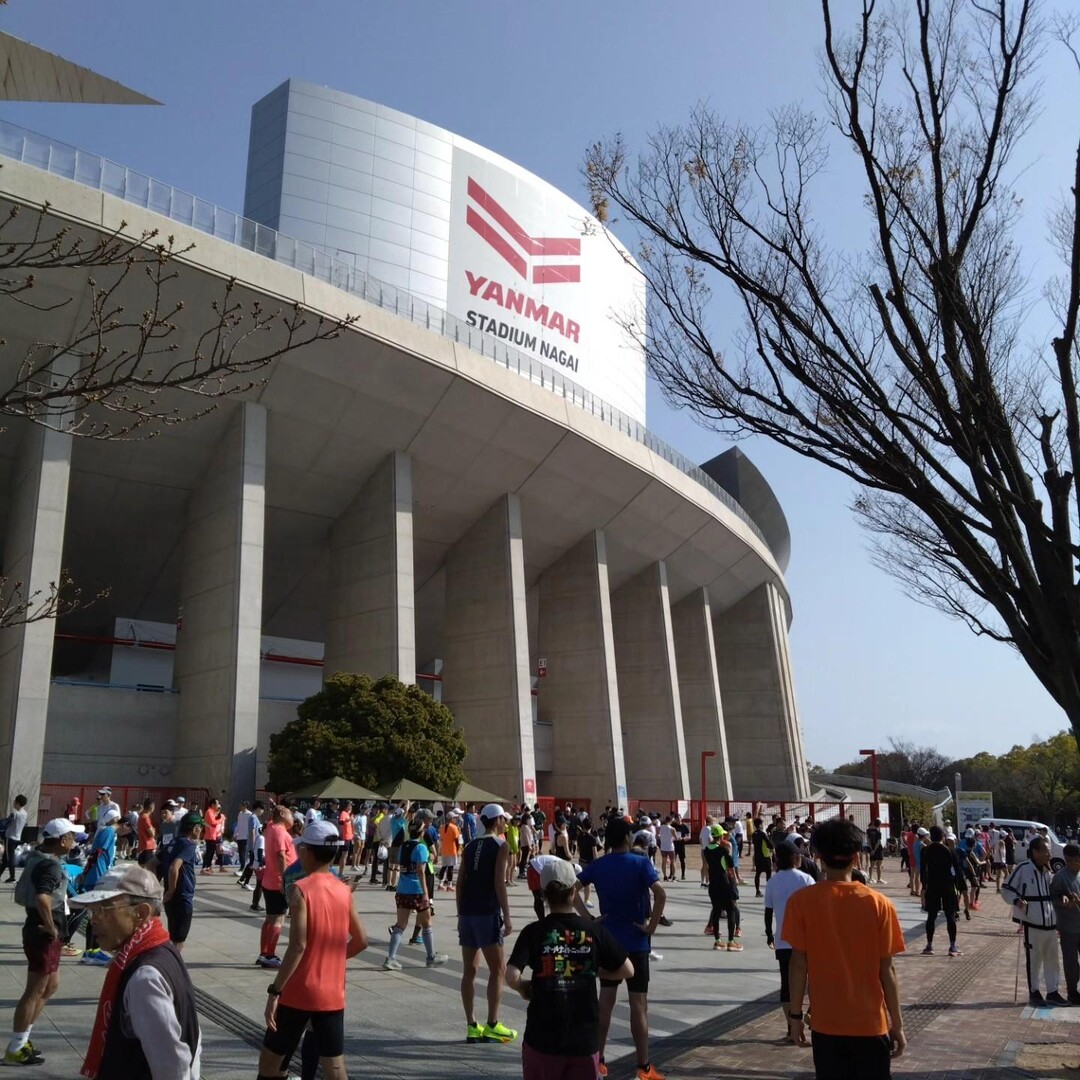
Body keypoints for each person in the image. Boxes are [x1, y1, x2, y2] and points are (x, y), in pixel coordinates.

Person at [784, 818, 906, 1079]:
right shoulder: (879, 904)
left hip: (826, 1024)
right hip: (871, 1023)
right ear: (855, 856)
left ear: (818, 856)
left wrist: (795, 1017)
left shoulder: (801, 902)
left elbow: (798, 964)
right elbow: (888, 970)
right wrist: (897, 1023)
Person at [506, 858, 633, 1080]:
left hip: (541, 1036)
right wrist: (592, 970)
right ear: (573, 892)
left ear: (544, 894)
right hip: (583, 1038)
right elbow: (628, 970)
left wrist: (523, 988)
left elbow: (511, 975)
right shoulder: (594, 931)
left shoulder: (533, 931)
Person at [70, 866, 200, 1079]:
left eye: (104, 909)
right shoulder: (163, 948)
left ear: (140, 913)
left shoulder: (144, 976)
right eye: (92, 910)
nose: (93, 919)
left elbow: (172, 1064)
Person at [260, 820, 367, 1080]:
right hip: (332, 992)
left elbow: (298, 946)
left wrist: (275, 990)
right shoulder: (344, 891)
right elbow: (361, 941)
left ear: (307, 852)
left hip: (299, 991)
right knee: (335, 1067)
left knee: (270, 1062)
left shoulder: (301, 890)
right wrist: (330, 958)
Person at [576, 816, 667, 1080]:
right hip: (637, 943)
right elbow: (660, 894)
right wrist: (651, 926)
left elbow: (571, 890)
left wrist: (591, 921)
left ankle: (598, 1061)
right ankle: (644, 1067)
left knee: (605, 1003)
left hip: (607, 942)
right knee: (638, 1004)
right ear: (628, 837)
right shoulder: (640, 864)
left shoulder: (599, 865)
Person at [5, 819, 82, 1065]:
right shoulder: (50, 866)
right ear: (62, 840)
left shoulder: (41, 858)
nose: (75, 840)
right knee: (35, 989)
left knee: (50, 985)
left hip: (41, 933)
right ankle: (15, 1048)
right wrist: (50, 925)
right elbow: (42, 897)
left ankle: (23, 1039)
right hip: (42, 934)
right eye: (72, 836)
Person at [457, 803, 516, 1045]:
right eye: (504, 819)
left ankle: (472, 1025)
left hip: (468, 913)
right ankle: (492, 1023)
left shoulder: (470, 846)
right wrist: (508, 915)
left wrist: (461, 912)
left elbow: (460, 882)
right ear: (497, 820)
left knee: (469, 970)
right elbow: (499, 882)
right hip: (487, 912)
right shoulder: (500, 845)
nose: (506, 823)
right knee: (497, 969)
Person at [1002, 835, 1065, 1004]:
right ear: (1036, 852)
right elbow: (1006, 889)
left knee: (1052, 960)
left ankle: (1053, 991)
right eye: (1046, 851)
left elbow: (1053, 892)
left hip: (1050, 924)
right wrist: (1017, 901)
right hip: (1032, 923)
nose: (1049, 855)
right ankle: (1034, 991)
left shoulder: (1047, 871)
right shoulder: (1023, 869)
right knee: (1034, 960)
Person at [384, 813, 449, 970]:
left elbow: (402, 865)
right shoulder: (421, 847)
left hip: (402, 889)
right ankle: (431, 957)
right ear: (421, 832)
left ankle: (390, 958)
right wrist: (426, 893)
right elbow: (420, 871)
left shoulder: (404, 846)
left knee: (400, 925)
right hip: (417, 890)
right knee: (427, 924)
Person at [764, 841, 815, 1037]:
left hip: (783, 940)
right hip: (807, 939)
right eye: (799, 855)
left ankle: (790, 1025)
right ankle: (811, 1014)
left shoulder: (773, 882)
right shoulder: (806, 879)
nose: (802, 857)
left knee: (787, 983)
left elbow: (768, 912)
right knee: (813, 980)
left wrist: (769, 933)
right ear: (794, 858)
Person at [80, 807, 121, 966]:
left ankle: (92, 952)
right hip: (98, 876)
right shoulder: (109, 831)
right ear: (116, 819)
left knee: (94, 915)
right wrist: (89, 871)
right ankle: (92, 952)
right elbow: (97, 853)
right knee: (97, 916)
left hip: (97, 874)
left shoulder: (105, 831)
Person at [257, 805, 294, 969]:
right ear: (282, 814)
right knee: (278, 918)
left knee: (270, 918)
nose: (292, 817)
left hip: (269, 880)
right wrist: (285, 879)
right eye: (290, 813)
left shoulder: (270, 827)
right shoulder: (279, 830)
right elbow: (280, 855)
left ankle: (264, 953)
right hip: (278, 881)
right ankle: (270, 955)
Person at [162, 812, 203, 952]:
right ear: (195, 828)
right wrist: (171, 890)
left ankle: (169, 965)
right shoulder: (188, 845)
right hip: (182, 896)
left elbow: (153, 862)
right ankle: (173, 967)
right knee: (179, 941)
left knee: (173, 936)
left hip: (172, 898)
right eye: (200, 827)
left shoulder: (174, 842)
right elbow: (175, 866)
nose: (201, 831)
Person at [920, 825, 962, 957]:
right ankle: (952, 946)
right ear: (943, 836)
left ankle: (929, 945)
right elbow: (958, 870)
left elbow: (922, 870)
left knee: (931, 916)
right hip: (948, 885)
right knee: (950, 916)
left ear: (931, 836)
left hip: (932, 885)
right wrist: (959, 888)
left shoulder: (925, 850)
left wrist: (924, 886)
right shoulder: (949, 850)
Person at [702, 826, 741, 951]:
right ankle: (730, 941)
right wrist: (734, 883)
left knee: (717, 911)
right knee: (731, 911)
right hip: (725, 883)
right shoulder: (723, 850)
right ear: (721, 836)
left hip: (713, 883)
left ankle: (717, 941)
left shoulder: (706, 850)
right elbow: (730, 869)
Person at [1050, 842, 1080, 1005]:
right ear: (1070, 859)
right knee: (1071, 962)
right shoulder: (1060, 877)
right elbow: (1053, 898)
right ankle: (1072, 992)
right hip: (1069, 928)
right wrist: (1064, 903)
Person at [237, 801, 265, 890]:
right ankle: (245, 882)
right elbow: (252, 831)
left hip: (254, 844)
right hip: (254, 844)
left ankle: (243, 880)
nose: (263, 811)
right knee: (253, 864)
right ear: (258, 809)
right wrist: (253, 846)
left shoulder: (254, 817)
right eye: (262, 809)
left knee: (252, 863)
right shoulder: (253, 817)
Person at [2, 794, 29, 883]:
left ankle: (12, 876)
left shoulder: (15, 813)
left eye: (15, 802)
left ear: (18, 803)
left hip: (10, 837)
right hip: (17, 837)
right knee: (6, 857)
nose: (14, 803)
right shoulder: (25, 813)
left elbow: (6, 823)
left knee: (9, 857)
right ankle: (10, 876)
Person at [439, 810, 462, 891]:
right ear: (451, 818)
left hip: (444, 850)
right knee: (450, 868)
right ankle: (449, 885)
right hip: (452, 850)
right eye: (454, 818)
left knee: (444, 867)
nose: (455, 819)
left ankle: (440, 884)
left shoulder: (442, 827)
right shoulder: (454, 827)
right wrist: (458, 849)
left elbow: (441, 839)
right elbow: (456, 840)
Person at [202, 799, 224, 874]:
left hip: (213, 835)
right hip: (210, 836)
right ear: (213, 805)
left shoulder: (212, 812)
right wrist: (221, 819)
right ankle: (205, 868)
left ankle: (208, 867)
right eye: (217, 804)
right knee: (209, 852)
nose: (218, 805)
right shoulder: (209, 811)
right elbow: (213, 822)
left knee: (210, 853)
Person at [750, 817, 772, 896]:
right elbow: (769, 844)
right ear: (760, 825)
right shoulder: (763, 834)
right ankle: (769, 891)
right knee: (768, 873)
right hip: (765, 856)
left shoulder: (754, 834)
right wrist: (772, 847)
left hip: (757, 856)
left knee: (758, 873)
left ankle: (757, 891)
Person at [136, 800, 157, 868]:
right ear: (152, 808)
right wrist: (153, 829)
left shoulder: (141, 816)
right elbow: (152, 833)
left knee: (142, 868)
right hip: (147, 846)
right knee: (147, 869)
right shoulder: (145, 818)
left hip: (142, 845)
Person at [866, 818, 886, 884]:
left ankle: (870, 878)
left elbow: (868, 840)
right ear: (879, 825)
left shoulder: (868, 831)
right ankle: (879, 879)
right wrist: (874, 850)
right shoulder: (878, 832)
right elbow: (878, 842)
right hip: (878, 849)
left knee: (871, 864)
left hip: (871, 848)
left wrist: (871, 849)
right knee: (879, 865)